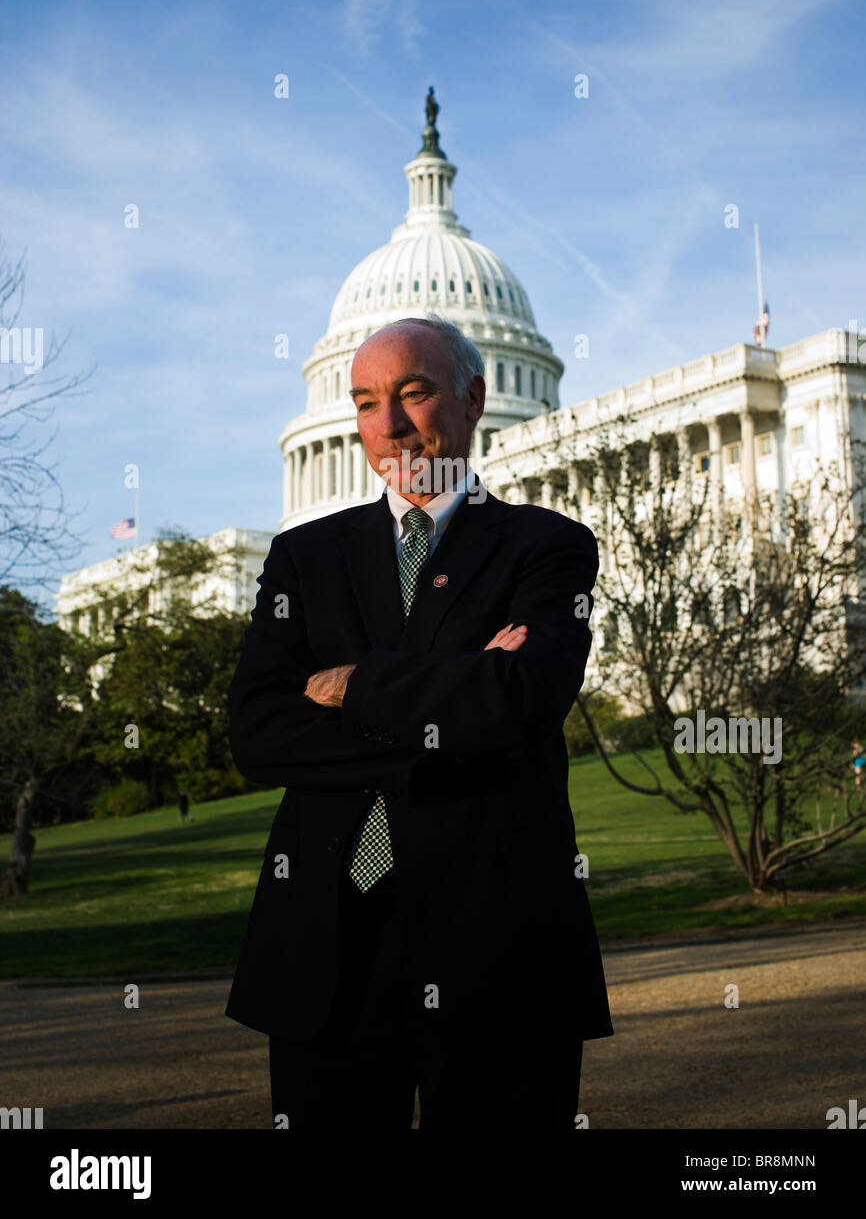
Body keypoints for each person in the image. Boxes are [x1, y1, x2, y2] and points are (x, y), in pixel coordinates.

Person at [224, 313, 613, 1133]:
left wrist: (356, 686)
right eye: (366, 402)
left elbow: (522, 700)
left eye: (413, 393)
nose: (390, 425)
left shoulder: (548, 547)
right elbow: (257, 732)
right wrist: (458, 692)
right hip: (329, 944)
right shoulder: (305, 557)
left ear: (476, 399)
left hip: (499, 941)